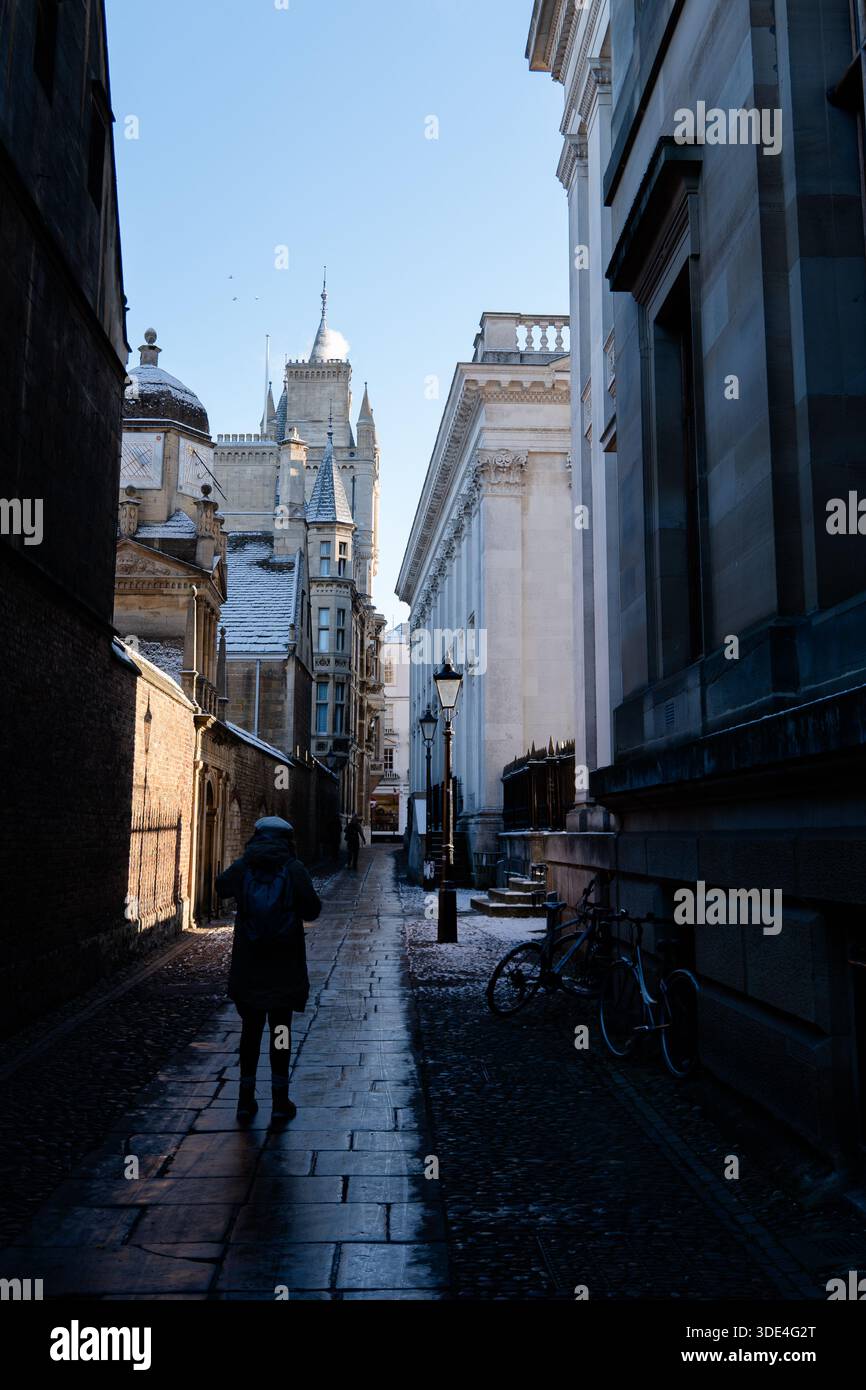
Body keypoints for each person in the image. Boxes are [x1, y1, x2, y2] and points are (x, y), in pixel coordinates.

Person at [216, 817, 321, 1126]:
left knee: (250, 1031)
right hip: (283, 963)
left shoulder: (245, 866)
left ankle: (245, 1102)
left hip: (249, 963)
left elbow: (221, 887)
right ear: (287, 839)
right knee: (280, 1031)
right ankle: (279, 1101)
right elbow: (313, 909)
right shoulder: (293, 868)